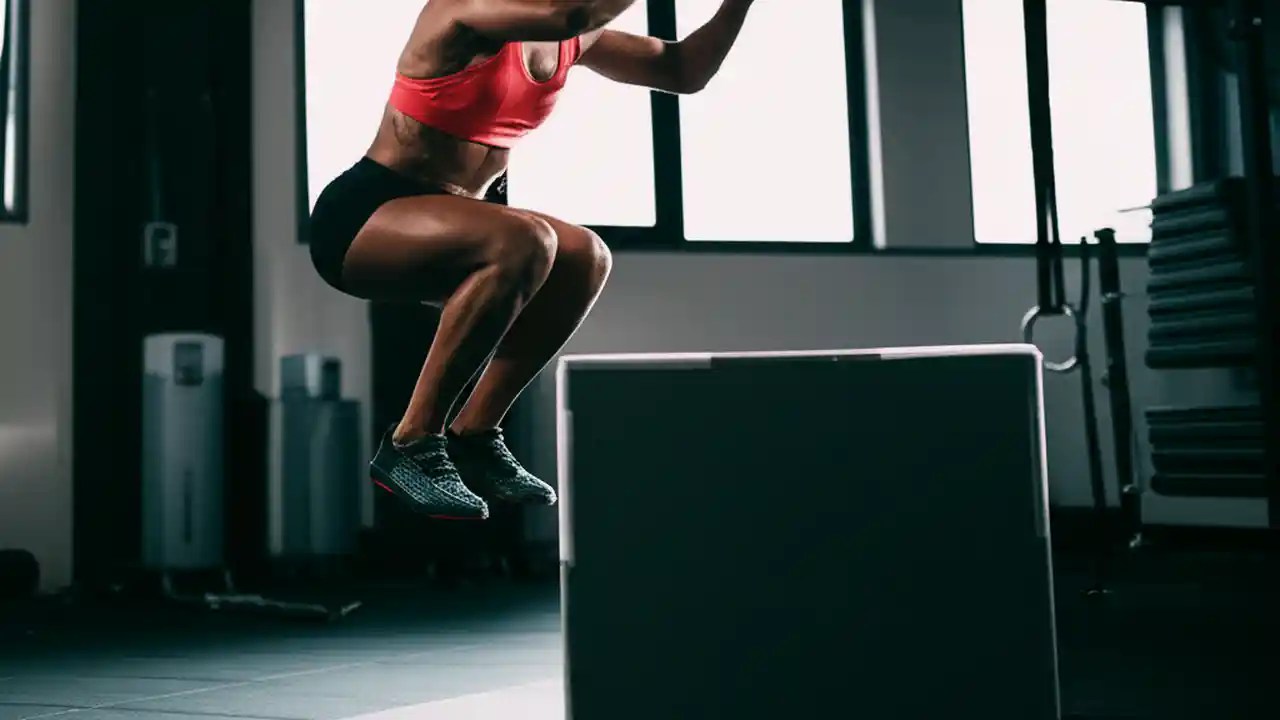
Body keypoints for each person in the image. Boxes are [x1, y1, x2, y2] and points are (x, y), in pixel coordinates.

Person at [308, 0, 756, 520]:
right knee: (528, 240)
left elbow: (683, 70)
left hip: (458, 224)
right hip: (365, 219)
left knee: (585, 256)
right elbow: (569, 15)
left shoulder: (574, 37)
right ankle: (412, 442)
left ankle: (475, 434)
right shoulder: (461, 12)